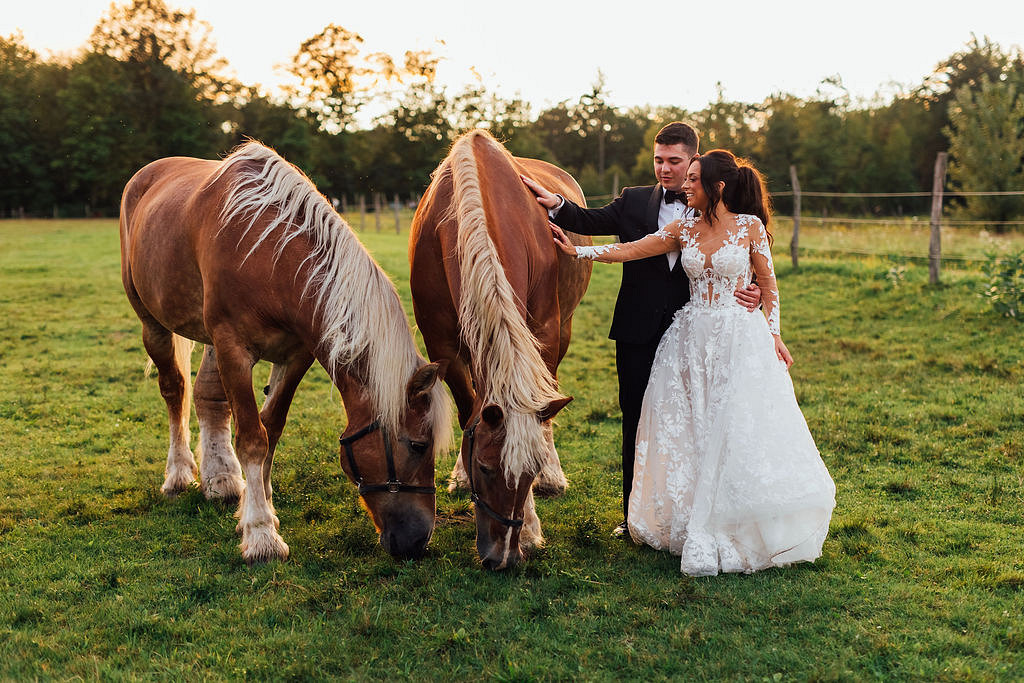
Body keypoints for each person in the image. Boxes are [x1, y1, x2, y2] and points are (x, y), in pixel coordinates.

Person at [550, 150, 835, 576]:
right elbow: (633, 250)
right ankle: (689, 514)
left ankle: (740, 515)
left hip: (739, 338)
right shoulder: (684, 226)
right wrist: (579, 253)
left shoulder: (749, 227)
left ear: (717, 187)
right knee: (690, 428)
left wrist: (773, 333)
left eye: (694, 178)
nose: (685, 184)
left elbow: (770, 284)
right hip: (689, 338)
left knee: (734, 425)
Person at [521, 123, 760, 538]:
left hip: (697, 334)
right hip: (636, 331)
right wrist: (557, 202)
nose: (665, 170)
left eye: (674, 162)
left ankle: (699, 512)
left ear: (694, 162)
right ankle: (635, 516)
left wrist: (753, 290)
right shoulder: (633, 201)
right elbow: (588, 218)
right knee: (635, 420)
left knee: (696, 420)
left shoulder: (721, 205)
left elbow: (746, 253)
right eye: (658, 160)